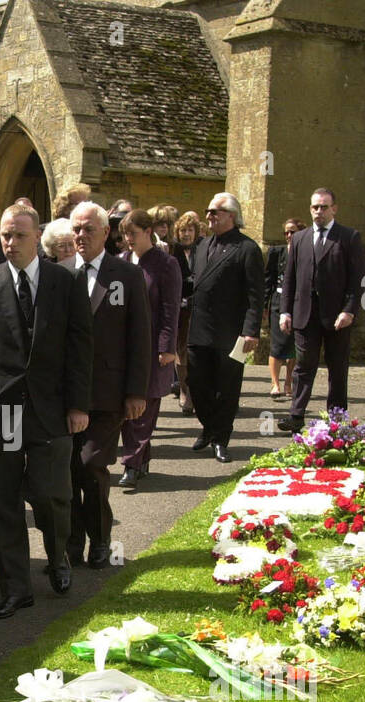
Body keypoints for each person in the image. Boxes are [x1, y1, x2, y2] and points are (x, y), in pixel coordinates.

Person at [0, 203, 93, 619]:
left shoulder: (66, 281)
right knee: (2, 503)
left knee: (51, 495)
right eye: (4, 235)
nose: (10, 242)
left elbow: (80, 347)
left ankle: (58, 556)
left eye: (18, 235)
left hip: (52, 409)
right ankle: (16, 588)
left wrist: (78, 405)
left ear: (36, 236)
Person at [66, 202, 150, 568]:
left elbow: (140, 336)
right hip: (66, 394)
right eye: (76, 229)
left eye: (88, 229)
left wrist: (136, 391)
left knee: (91, 467)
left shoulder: (126, 276)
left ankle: (100, 538)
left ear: (105, 233)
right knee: (66, 472)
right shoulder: (59, 273)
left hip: (107, 393)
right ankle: (70, 544)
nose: (81, 236)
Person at [278, 188, 365, 433]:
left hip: (337, 316)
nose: (319, 211)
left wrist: (349, 310)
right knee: (303, 366)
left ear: (334, 209)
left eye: (324, 207)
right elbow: (290, 279)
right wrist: (285, 311)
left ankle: (336, 419)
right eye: (315, 207)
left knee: (337, 367)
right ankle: (296, 415)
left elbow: (356, 279)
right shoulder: (299, 238)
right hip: (305, 314)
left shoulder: (349, 237)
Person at [186, 192, 263, 463]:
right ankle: (208, 426)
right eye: (208, 211)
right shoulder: (202, 244)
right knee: (197, 384)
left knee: (227, 388)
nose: (209, 216)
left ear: (231, 215)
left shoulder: (247, 248)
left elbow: (256, 295)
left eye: (214, 211)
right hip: (199, 328)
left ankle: (221, 438)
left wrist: (251, 331)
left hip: (233, 331)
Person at [117, 208, 181, 485]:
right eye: (125, 234)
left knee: (145, 406)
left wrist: (167, 347)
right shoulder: (120, 261)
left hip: (154, 346)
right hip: (124, 345)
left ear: (148, 232)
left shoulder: (166, 264)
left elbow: (170, 309)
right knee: (127, 405)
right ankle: (140, 460)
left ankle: (131, 464)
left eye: (133, 233)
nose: (128, 239)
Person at [265, 218, 305, 399]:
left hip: (298, 302)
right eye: (286, 232)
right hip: (278, 301)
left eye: (293, 232)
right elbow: (268, 279)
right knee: (277, 344)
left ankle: (289, 382)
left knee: (293, 346)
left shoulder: (306, 252)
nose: (289, 235)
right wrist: (264, 305)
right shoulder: (277, 252)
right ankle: (275, 383)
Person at [172, 210, 205, 414]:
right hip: (178, 308)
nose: (186, 234)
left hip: (198, 308)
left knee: (195, 353)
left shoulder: (203, 248)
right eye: (182, 230)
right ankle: (183, 389)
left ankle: (193, 393)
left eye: (190, 230)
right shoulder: (172, 250)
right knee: (180, 352)